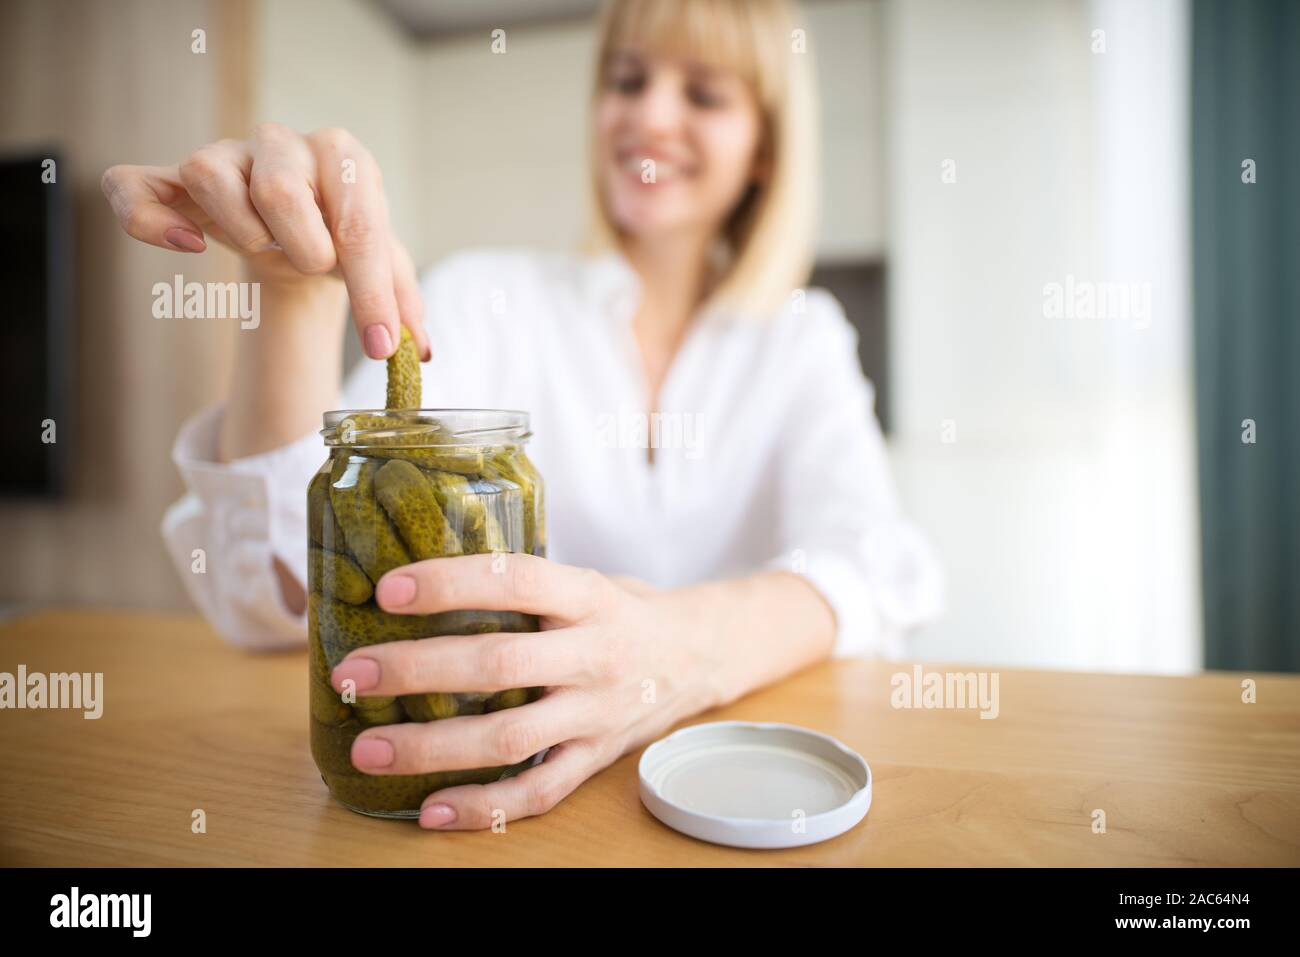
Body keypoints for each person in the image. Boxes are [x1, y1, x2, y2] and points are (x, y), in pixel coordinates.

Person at [100, 0, 941, 830]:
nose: (650, 114)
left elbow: (868, 568)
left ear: (765, 149)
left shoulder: (802, 337)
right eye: (628, 78)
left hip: (740, 790)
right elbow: (273, 589)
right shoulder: (481, 297)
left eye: (705, 94)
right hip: (495, 812)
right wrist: (289, 297)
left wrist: (681, 651)